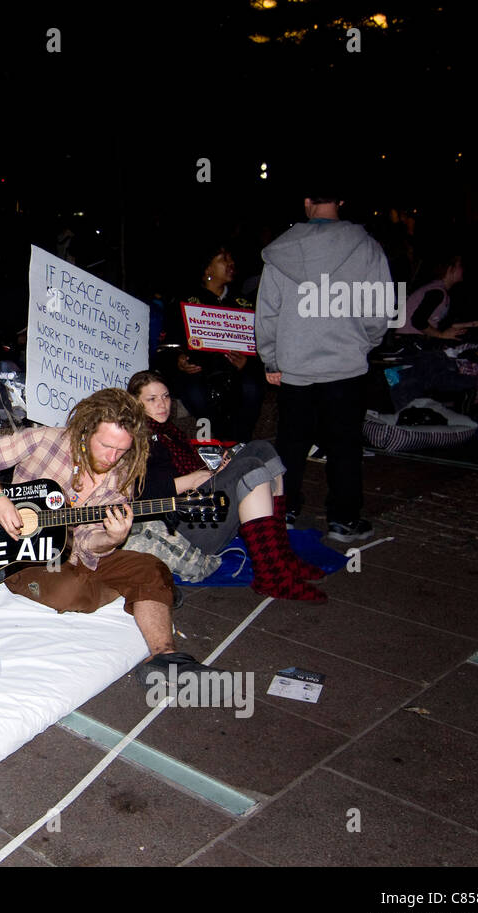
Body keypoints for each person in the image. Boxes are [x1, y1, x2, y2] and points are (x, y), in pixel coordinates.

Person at [0, 387, 224, 681]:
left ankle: (165, 657)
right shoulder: (47, 440)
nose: (112, 457)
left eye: (122, 450)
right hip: (23, 555)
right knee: (73, 590)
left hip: (73, 550)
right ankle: (144, 596)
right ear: (86, 430)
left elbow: (89, 540)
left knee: (151, 568)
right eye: (105, 445)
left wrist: (112, 538)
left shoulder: (122, 476)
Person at [255, 177, 391, 543]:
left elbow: (267, 312)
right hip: (345, 365)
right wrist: (363, 343)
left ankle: (284, 512)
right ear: (341, 202)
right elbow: (379, 311)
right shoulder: (367, 248)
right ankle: (344, 519)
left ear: (306, 202)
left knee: (291, 444)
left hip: (296, 366)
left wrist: (271, 358)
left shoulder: (280, 251)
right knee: (345, 445)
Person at [128, 371, 326, 602]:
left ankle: (281, 555)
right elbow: (140, 493)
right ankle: (270, 575)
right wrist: (195, 479)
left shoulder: (168, 431)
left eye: (166, 396)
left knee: (261, 448)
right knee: (250, 467)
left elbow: (194, 473)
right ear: (135, 403)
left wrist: (215, 472)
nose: (162, 404)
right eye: (152, 399)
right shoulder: (135, 439)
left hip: (197, 502)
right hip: (178, 525)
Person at [164, 243, 266, 442]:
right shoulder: (185, 301)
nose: (231, 263)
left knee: (252, 389)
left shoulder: (242, 302)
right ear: (208, 269)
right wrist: (179, 361)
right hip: (199, 371)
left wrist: (247, 363)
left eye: (231, 259)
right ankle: (221, 438)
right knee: (196, 393)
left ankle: (241, 443)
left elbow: (259, 345)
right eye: (223, 260)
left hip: (234, 370)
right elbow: (168, 346)